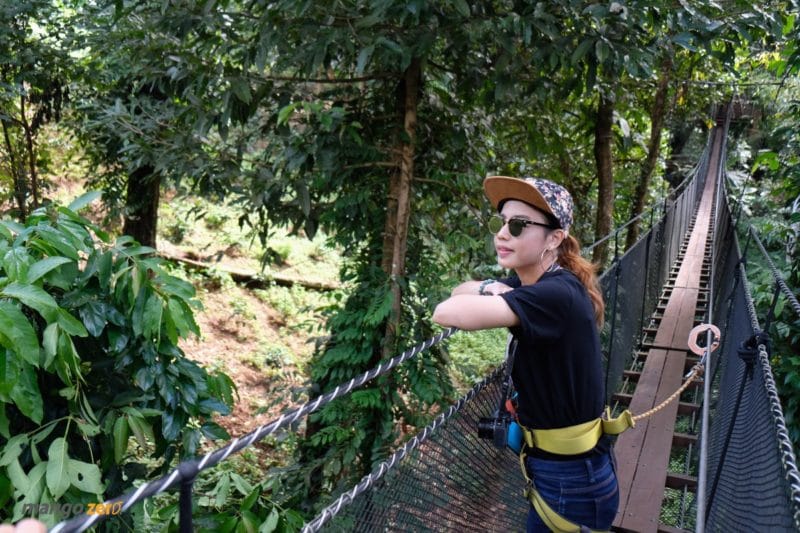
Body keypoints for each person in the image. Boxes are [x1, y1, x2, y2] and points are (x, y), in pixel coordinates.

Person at [432, 176, 618, 532]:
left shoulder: (555, 295)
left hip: (572, 482)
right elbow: (461, 290)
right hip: (564, 470)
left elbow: (446, 312)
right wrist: (495, 287)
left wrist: (498, 293)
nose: (502, 234)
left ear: (554, 238)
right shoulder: (539, 283)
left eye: (518, 225)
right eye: (500, 223)